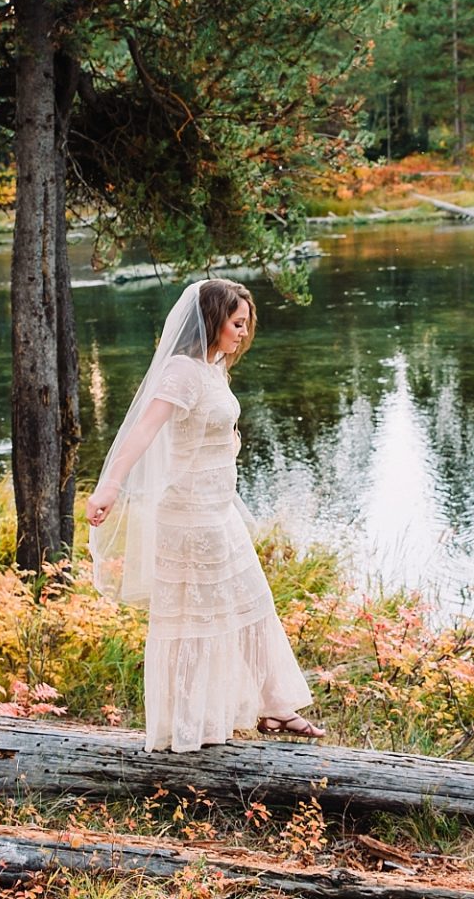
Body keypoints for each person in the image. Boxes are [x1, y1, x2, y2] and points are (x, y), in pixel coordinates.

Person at [85, 278, 325, 752]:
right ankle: (188, 726)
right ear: (213, 320)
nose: (242, 333)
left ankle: (275, 706)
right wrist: (110, 485)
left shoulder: (213, 370)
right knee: (197, 618)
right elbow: (143, 431)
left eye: (246, 325)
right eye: (236, 324)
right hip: (190, 517)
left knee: (252, 604)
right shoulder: (182, 371)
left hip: (219, 510)